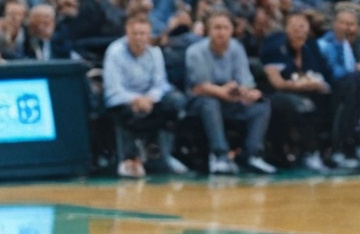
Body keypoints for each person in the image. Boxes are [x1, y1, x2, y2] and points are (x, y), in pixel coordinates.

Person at [186, 12, 274, 175]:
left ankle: (252, 155)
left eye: (225, 28)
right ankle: (220, 155)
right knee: (209, 103)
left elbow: (245, 80)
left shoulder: (237, 48)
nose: (221, 32)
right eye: (217, 28)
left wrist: (247, 92)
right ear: (208, 31)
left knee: (261, 105)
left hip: (231, 99)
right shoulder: (195, 51)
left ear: (232, 30)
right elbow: (198, 87)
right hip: (200, 102)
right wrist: (223, 91)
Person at [102, 16, 190, 178]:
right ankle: (130, 158)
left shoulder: (155, 52)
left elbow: (160, 84)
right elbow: (113, 90)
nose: (139, 38)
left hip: (149, 101)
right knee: (125, 112)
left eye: (143, 34)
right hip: (122, 101)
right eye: (135, 33)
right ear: (127, 33)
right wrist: (135, 99)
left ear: (149, 35)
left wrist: (149, 99)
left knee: (175, 103)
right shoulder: (114, 52)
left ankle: (163, 155)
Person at [261, 11, 334, 172]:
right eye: (295, 26)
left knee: (328, 98)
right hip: (275, 94)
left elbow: (319, 76)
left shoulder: (310, 47)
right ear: (286, 29)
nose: (299, 30)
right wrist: (302, 86)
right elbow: (277, 83)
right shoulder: (274, 46)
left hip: (304, 92)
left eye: (303, 26)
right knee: (303, 105)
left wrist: (314, 84)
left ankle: (330, 151)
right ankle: (309, 153)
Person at [320, 5, 360, 169]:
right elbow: (335, 74)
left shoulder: (356, 44)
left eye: (352, 24)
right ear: (335, 24)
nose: (348, 28)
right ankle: (343, 148)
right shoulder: (326, 44)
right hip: (330, 90)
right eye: (344, 23)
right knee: (353, 82)